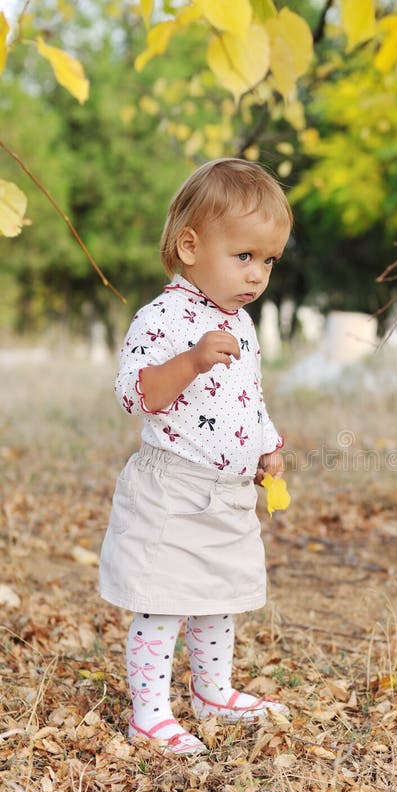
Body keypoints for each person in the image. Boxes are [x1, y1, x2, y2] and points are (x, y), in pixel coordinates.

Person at [99, 158, 292, 755]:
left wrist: (266, 446)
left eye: (268, 261)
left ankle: (213, 690)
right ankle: (149, 714)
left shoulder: (243, 323)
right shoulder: (162, 318)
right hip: (174, 488)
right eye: (244, 256)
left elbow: (246, 397)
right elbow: (136, 394)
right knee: (165, 599)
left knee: (218, 596)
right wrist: (190, 362)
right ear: (190, 245)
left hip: (227, 491)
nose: (257, 274)